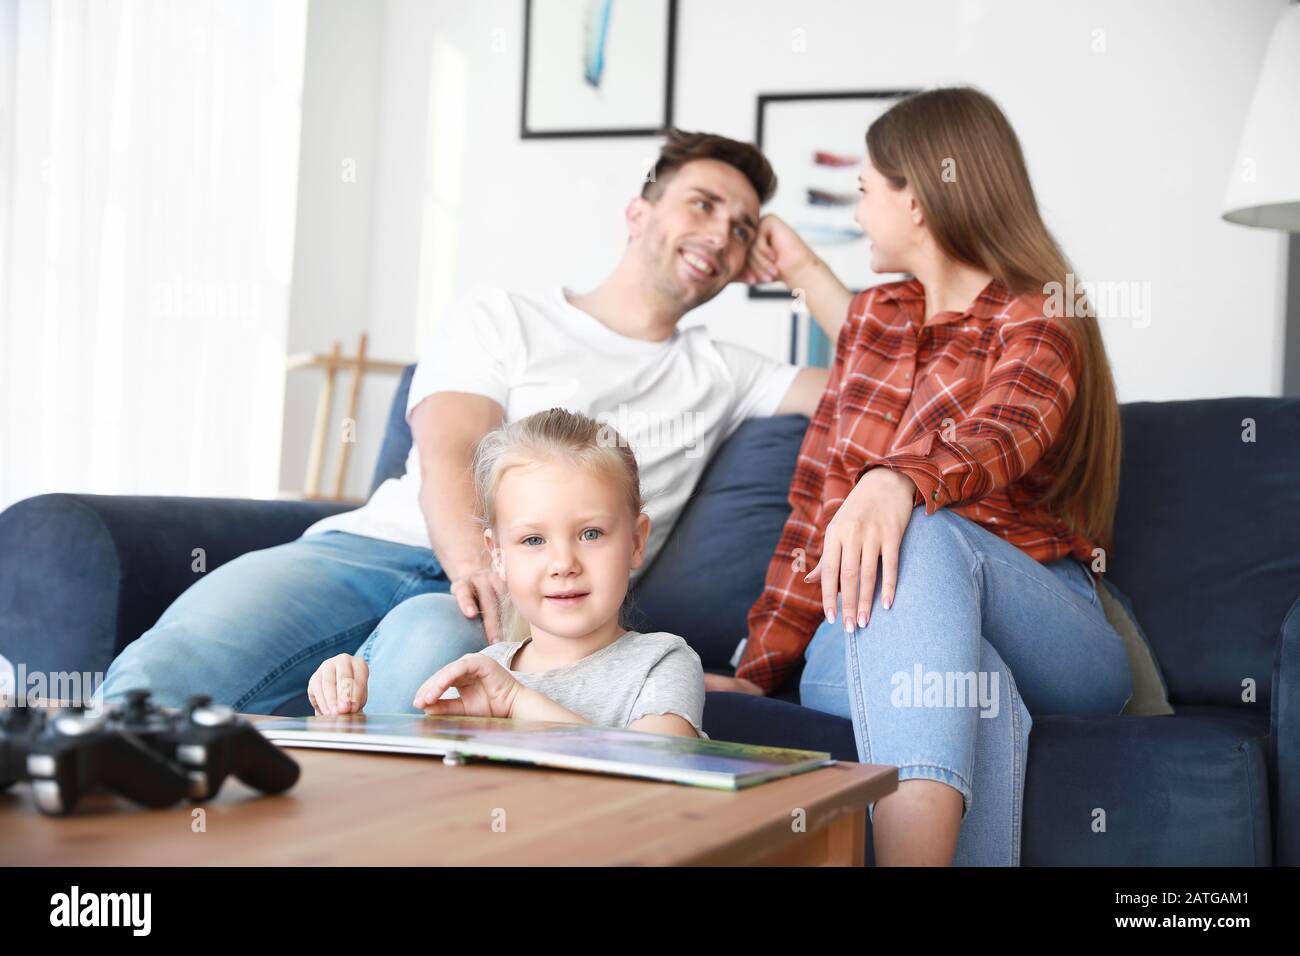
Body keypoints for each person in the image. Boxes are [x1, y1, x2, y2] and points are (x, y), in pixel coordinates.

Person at [96, 128, 828, 715]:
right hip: (378, 551)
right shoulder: (503, 314)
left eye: (742, 229)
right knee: (174, 661)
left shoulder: (732, 373)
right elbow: (451, 448)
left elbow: (888, 372)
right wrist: (475, 565)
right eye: (702, 204)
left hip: (514, 602)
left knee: (425, 682)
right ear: (639, 212)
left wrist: (798, 265)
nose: (720, 234)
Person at [714, 87, 1133, 866]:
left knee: (927, 530)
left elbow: (1007, 431)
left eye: (867, 190)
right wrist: (757, 668)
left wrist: (894, 483)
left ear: (919, 198)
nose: (861, 210)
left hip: (1051, 625)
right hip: (872, 628)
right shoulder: (873, 319)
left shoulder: (1037, 316)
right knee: (975, 686)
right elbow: (815, 511)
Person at [310, 409, 707, 738]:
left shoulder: (662, 663)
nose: (563, 563)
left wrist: (518, 703)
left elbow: (660, 770)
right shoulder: (485, 668)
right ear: (497, 556)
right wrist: (351, 712)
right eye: (533, 540)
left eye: (591, 534)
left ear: (636, 542)